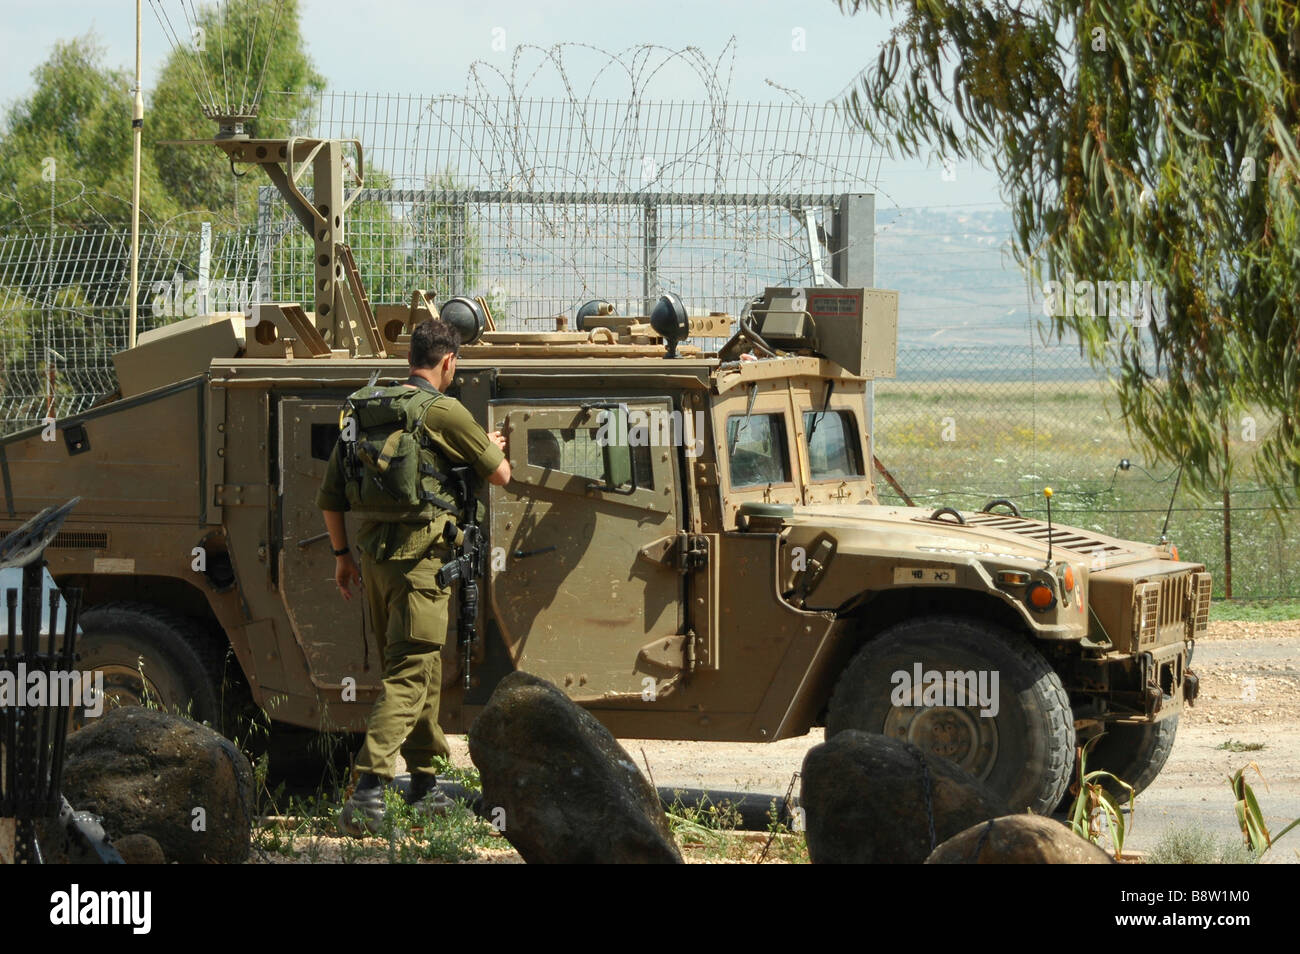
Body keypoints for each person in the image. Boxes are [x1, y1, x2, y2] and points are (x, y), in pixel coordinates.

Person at [315, 317, 510, 834]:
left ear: (410, 359)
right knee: (410, 673)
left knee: (416, 668)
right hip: (423, 564)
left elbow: (330, 496)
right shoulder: (444, 411)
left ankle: (424, 784)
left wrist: (341, 557)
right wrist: (487, 445)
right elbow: (500, 473)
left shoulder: (363, 407)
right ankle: (369, 791)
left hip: (375, 562)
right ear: (449, 362)